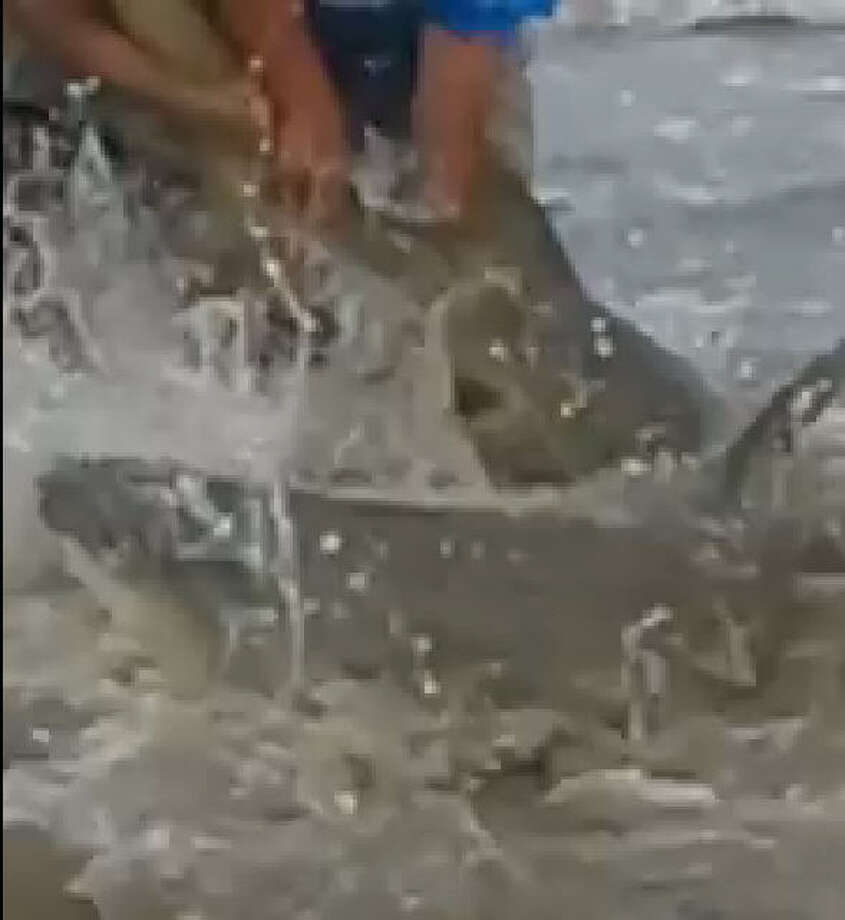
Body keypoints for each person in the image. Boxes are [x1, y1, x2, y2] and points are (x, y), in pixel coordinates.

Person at [7, 0, 553, 222]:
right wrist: (201, 101)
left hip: (414, 53)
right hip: (183, 31)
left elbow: (453, 132)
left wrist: (446, 203)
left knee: (483, 248)